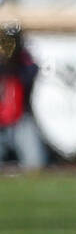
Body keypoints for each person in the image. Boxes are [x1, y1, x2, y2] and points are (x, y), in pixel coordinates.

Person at [0, 21, 45, 170]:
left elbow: (31, 73)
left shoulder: (25, 63)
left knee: (35, 165)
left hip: (20, 120)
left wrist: (14, 61)